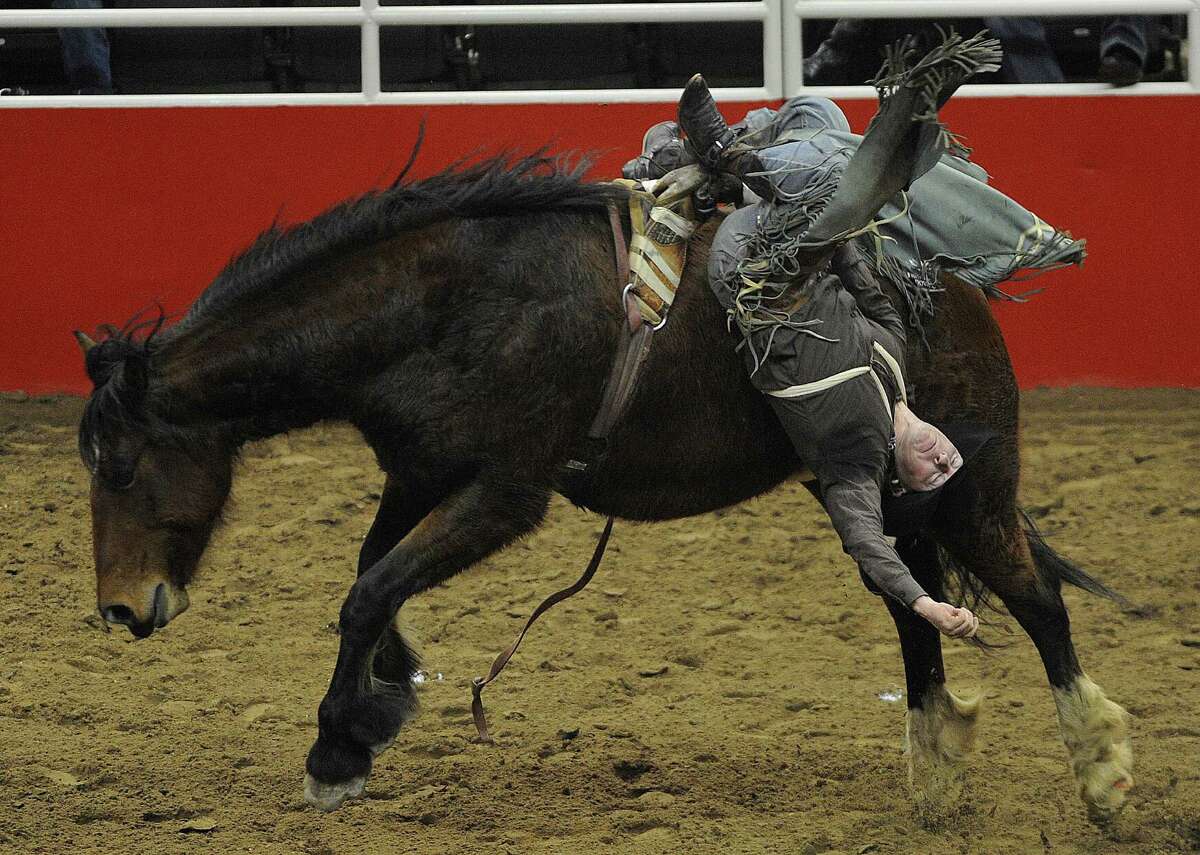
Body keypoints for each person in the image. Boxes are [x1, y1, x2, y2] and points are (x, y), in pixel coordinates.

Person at [632, 33, 1065, 640]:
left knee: (830, 190)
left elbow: (869, 545)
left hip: (751, 279)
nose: (946, 457)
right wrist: (843, 240)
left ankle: (721, 161)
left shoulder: (852, 462)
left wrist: (927, 606)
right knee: (822, 116)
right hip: (793, 248)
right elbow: (862, 287)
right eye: (951, 458)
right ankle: (711, 162)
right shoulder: (898, 362)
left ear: (902, 481)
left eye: (933, 474)